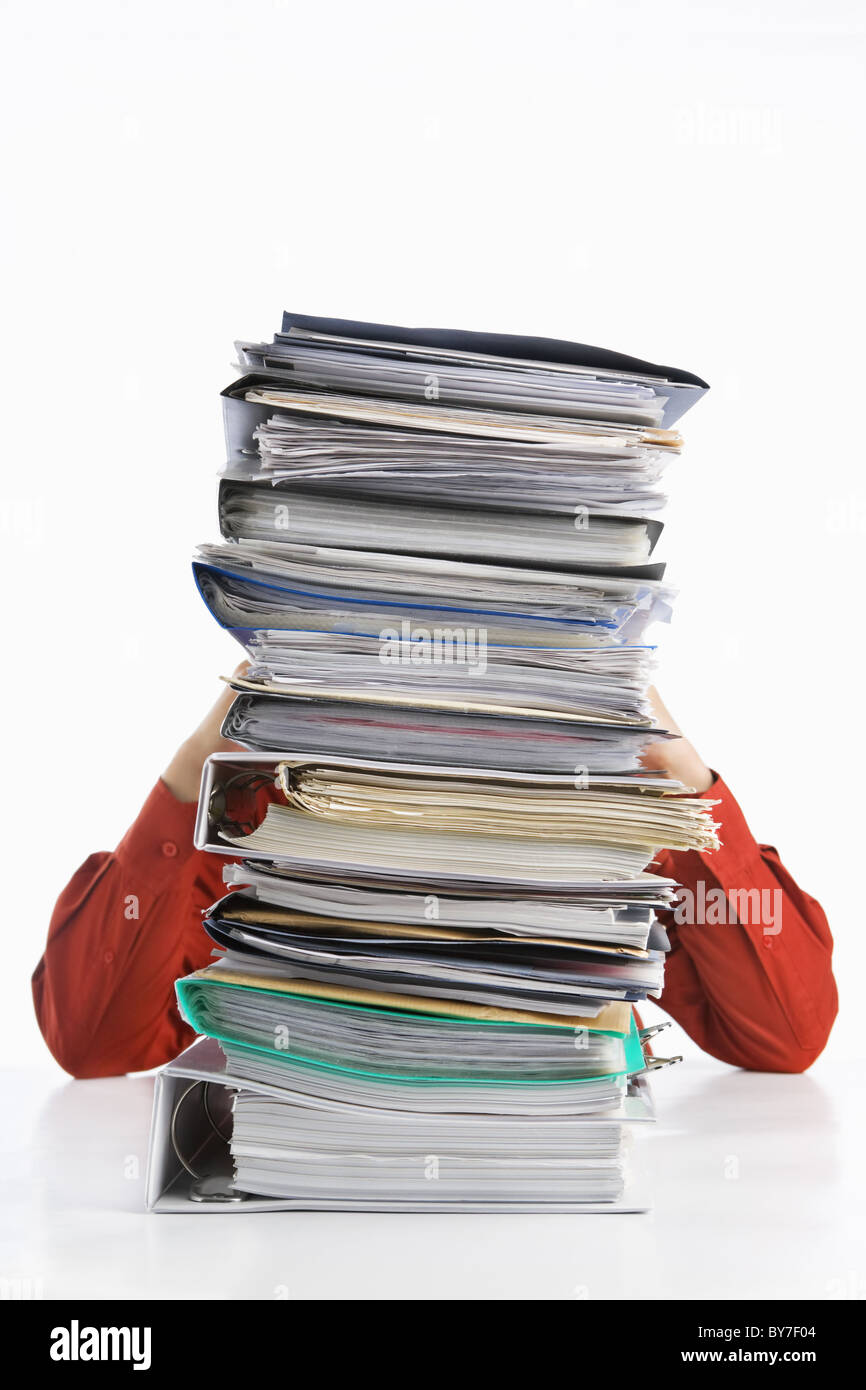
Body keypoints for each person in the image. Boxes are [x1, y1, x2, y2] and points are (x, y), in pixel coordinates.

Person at [33, 680, 837, 1078]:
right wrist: (194, 766)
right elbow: (95, 1039)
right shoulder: (269, 809)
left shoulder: (596, 819)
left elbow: (783, 1036)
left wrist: (683, 784)